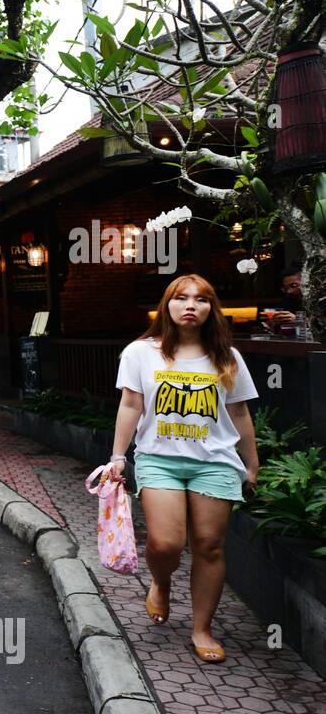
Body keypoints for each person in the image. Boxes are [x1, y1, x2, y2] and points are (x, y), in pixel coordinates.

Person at [108, 274, 259, 665]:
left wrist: (252, 463)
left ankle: (201, 629)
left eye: (201, 299)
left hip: (215, 462)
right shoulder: (141, 352)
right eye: (181, 298)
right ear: (167, 305)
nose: (191, 305)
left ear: (212, 309)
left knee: (208, 545)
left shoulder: (227, 356)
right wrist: (118, 456)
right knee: (165, 543)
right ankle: (160, 582)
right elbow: (130, 406)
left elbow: (239, 411)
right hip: (160, 459)